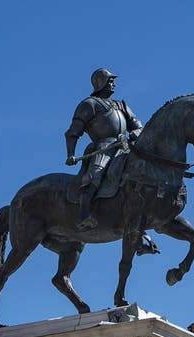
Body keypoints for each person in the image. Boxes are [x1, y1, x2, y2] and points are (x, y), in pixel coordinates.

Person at [64, 67, 144, 230]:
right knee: (96, 174)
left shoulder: (121, 105)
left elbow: (137, 125)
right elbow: (72, 132)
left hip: (125, 147)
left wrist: (136, 132)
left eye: (113, 81)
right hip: (103, 147)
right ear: (101, 83)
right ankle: (84, 214)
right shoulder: (89, 104)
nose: (113, 84)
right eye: (110, 81)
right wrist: (70, 154)